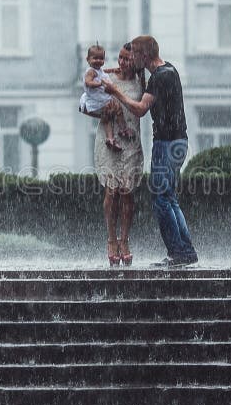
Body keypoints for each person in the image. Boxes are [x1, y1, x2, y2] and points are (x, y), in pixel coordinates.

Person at [103, 35, 198, 267]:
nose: (131, 57)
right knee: (169, 198)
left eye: (134, 53)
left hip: (166, 143)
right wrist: (118, 72)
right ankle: (186, 251)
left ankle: (177, 253)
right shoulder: (169, 70)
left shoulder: (159, 77)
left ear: (144, 55)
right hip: (179, 141)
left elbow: (140, 109)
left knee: (161, 200)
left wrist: (115, 91)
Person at [82, 43, 144, 266]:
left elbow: (143, 109)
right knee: (111, 190)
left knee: (127, 192)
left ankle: (124, 240)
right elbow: (86, 104)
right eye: (120, 57)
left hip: (130, 140)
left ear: (136, 60)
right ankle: (111, 239)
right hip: (108, 139)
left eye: (128, 58)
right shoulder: (106, 77)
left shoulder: (141, 81)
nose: (122, 62)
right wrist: (104, 112)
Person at [79, 44, 135, 152]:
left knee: (110, 114)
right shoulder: (91, 71)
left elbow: (104, 72)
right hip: (97, 100)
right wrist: (99, 83)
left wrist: (113, 70)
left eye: (101, 58)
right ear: (88, 59)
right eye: (95, 58)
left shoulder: (99, 71)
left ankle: (111, 137)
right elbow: (88, 82)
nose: (98, 61)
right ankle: (122, 130)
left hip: (102, 98)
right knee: (112, 111)